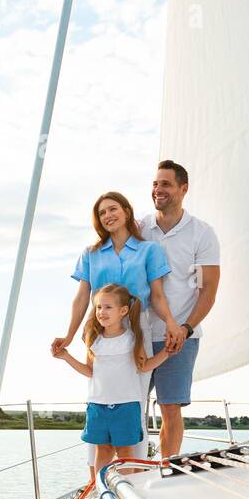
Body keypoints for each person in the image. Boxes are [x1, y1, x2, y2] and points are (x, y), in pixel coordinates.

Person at [138, 160, 221, 460]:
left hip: (182, 336)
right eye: (155, 184)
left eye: (166, 184)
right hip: (139, 334)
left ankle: (166, 468)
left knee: (170, 408)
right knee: (129, 405)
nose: (158, 190)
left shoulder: (201, 233)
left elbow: (208, 290)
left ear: (183, 189)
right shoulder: (140, 228)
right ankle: (129, 468)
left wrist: (185, 329)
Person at [54, 283, 172, 481]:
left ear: (123, 311)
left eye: (108, 307)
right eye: (99, 307)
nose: (101, 312)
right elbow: (89, 371)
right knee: (103, 449)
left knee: (125, 451)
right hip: (98, 405)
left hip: (126, 404)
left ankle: (127, 488)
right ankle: (103, 486)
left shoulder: (133, 338)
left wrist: (167, 352)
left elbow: (144, 366)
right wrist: (66, 357)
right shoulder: (94, 340)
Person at [51, 191, 185, 362]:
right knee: (103, 383)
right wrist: (69, 336)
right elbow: (81, 298)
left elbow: (157, 295)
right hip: (101, 327)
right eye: (102, 213)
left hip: (138, 326)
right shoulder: (90, 254)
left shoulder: (150, 250)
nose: (108, 215)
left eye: (113, 209)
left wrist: (170, 322)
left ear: (127, 212)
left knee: (138, 384)